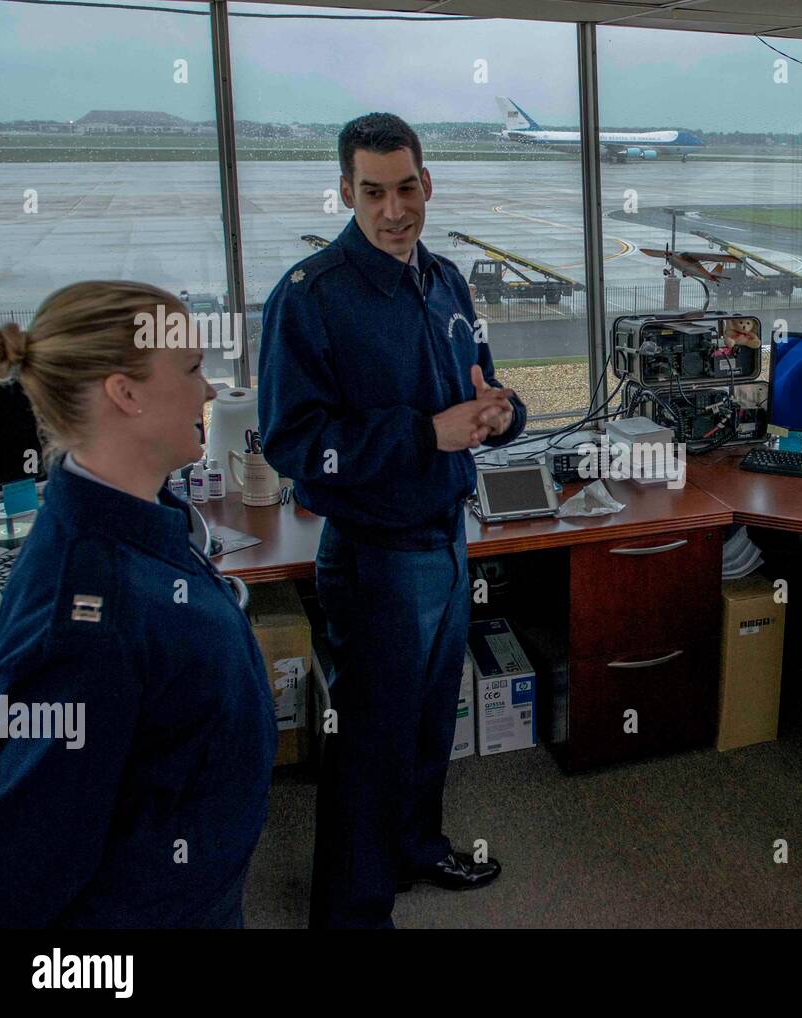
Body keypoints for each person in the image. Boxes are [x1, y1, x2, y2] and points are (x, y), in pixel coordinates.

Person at [258, 113, 525, 929]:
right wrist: (425, 433)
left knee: (427, 720)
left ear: (427, 184)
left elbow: (479, 391)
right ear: (346, 192)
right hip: (374, 555)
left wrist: (500, 414)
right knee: (369, 745)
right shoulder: (310, 298)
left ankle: (416, 844)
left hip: (448, 538)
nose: (393, 208)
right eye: (372, 192)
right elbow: (294, 443)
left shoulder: (444, 278)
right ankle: (352, 911)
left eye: (406, 187)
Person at [0, 281, 277, 927]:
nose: (208, 390)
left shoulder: (141, 518)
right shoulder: (85, 618)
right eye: (193, 368)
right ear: (126, 392)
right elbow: (23, 870)